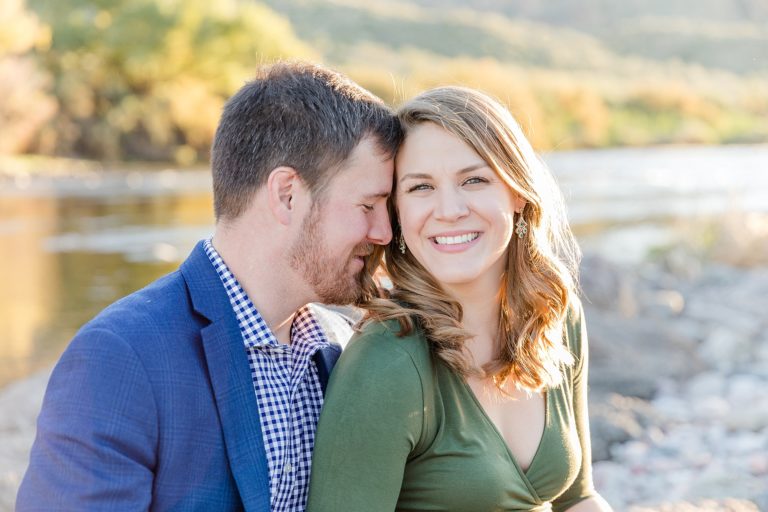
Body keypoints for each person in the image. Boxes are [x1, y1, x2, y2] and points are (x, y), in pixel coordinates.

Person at [17, 61, 402, 511]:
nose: (384, 233)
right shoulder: (118, 357)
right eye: (369, 204)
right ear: (287, 195)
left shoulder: (340, 348)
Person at [307, 86, 613, 512]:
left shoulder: (555, 317)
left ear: (518, 193)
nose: (449, 210)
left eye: (474, 180)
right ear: (397, 211)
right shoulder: (386, 364)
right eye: (420, 188)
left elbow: (577, 497)